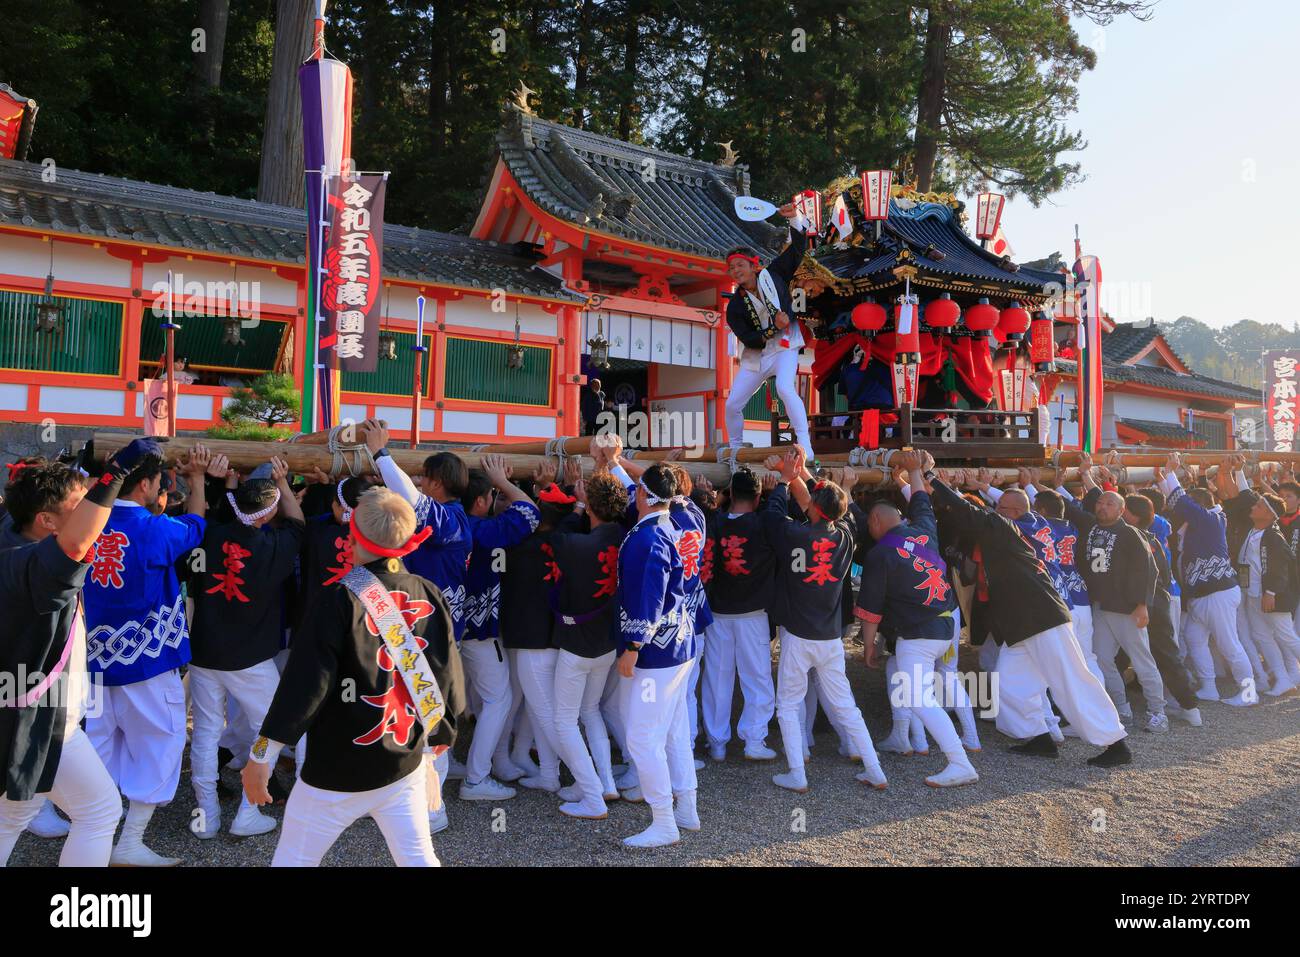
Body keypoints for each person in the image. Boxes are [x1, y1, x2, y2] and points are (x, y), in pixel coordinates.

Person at [242, 487, 466, 867]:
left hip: (335, 770)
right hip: (403, 760)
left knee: (294, 860)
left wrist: (261, 754)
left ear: (352, 536)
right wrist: (435, 743)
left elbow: (306, 687)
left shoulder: (338, 599)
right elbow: (447, 675)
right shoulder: (428, 592)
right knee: (418, 858)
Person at [0, 440, 161, 866]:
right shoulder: (25, 567)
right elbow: (73, 546)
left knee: (89, 810)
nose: (95, 509)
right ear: (46, 521)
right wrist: (116, 475)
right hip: (27, 722)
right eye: (82, 503)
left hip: (47, 718)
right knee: (30, 817)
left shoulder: (12, 529)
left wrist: (97, 472)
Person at [927, 470, 1131, 768]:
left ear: (1014, 512)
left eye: (999, 508)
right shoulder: (1018, 526)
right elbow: (973, 513)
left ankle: (1115, 743)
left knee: (1071, 680)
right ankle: (1039, 737)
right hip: (1022, 623)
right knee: (1010, 684)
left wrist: (932, 478)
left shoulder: (1010, 527)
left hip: (1042, 618)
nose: (994, 511)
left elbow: (970, 512)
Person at [81, 442, 213, 866]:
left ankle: (92, 832)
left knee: (95, 748)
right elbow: (195, 525)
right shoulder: (154, 528)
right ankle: (128, 839)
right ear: (145, 485)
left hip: (93, 663)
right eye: (158, 481)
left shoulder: (82, 522)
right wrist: (197, 478)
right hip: (146, 663)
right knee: (160, 743)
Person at [186, 457, 304, 840]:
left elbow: (198, 519)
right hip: (249, 658)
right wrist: (283, 483)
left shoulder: (211, 534)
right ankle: (249, 810)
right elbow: (298, 524)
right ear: (269, 512)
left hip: (204, 652)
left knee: (204, 731)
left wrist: (203, 478)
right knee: (274, 728)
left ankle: (207, 816)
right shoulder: (276, 543)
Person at [765, 447, 887, 794]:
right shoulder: (846, 534)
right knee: (846, 706)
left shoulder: (793, 533)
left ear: (813, 507)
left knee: (787, 705)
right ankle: (875, 768)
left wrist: (785, 479)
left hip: (798, 635)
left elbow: (773, 515)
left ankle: (797, 775)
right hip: (831, 637)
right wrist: (803, 475)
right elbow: (832, 505)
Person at [857, 451, 978, 788]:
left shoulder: (879, 553)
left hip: (918, 633)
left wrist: (868, 645)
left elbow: (870, 609)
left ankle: (959, 760)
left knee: (918, 699)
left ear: (876, 523)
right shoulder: (925, 529)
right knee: (910, 682)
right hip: (944, 626)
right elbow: (922, 500)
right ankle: (903, 737)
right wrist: (912, 471)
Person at [616, 463, 699, 848]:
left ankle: (664, 820)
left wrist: (632, 646)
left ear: (644, 496)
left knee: (642, 737)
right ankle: (686, 807)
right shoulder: (677, 522)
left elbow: (647, 598)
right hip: (679, 642)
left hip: (657, 651)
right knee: (673, 729)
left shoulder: (647, 538)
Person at [548, 472, 629, 819]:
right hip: (607, 642)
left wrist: (578, 505)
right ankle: (606, 782)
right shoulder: (625, 536)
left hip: (577, 645)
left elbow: (557, 535)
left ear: (592, 505)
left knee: (564, 720)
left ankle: (593, 795)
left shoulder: (577, 544)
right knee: (590, 710)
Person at [1155, 454, 1255, 705]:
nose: (1182, 512)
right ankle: (1209, 687)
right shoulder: (1208, 520)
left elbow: (1182, 504)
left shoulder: (1210, 519)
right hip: (1205, 593)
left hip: (1217, 592)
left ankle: (1249, 694)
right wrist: (1166, 480)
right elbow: (1181, 503)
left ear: (1199, 507)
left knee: (1230, 645)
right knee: (1194, 638)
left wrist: (1171, 473)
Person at [723, 202, 816, 458]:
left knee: (785, 388)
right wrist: (771, 328)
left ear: (754, 265)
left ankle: (805, 445)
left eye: (740, 265)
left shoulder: (774, 274)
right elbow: (748, 338)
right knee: (732, 404)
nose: (735, 271)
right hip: (758, 355)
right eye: (731, 268)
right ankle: (735, 447)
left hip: (785, 345)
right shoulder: (735, 306)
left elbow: (797, 250)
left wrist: (795, 218)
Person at [699, 467, 780, 762]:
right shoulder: (763, 524)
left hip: (718, 613)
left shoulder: (713, 522)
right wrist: (776, 492)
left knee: (716, 678)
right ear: (758, 496)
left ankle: (717, 742)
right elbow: (775, 516)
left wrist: (713, 499)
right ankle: (754, 741)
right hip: (752, 615)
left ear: (730, 493)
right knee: (756, 677)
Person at [1216, 464, 1300, 696]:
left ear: (1269, 514)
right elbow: (1242, 497)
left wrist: (1271, 593)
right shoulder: (1253, 529)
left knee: (1286, 636)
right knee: (1262, 636)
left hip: (1271, 596)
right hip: (1252, 592)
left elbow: (1279, 568)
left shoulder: (1272, 536)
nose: (1254, 507)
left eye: (1260, 505)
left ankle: (1288, 676)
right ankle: (1282, 679)